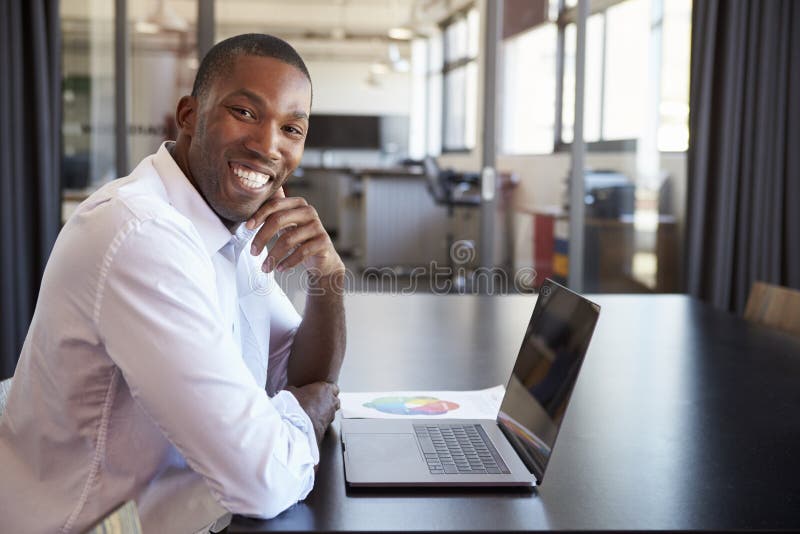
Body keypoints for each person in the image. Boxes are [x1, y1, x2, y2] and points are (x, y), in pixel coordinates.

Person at [0, 34, 345, 533]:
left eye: (291, 127)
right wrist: (303, 414)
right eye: (245, 112)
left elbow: (293, 370)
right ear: (189, 115)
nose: (268, 145)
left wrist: (329, 276)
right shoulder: (141, 234)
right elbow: (262, 481)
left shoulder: (227, 222)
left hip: (170, 513)